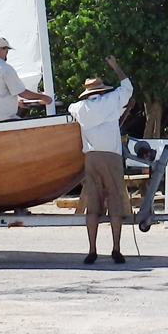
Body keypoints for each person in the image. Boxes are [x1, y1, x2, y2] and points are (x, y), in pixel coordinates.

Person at [68, 56, 135, 265]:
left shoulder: (78, 108)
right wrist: (116, 66)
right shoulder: (112, 100)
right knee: (115, 201)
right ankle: (116, 248)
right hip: (112, 156)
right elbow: (128, 87)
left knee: (93, 204)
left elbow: (70, 110)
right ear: (101, 90)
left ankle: (92, 250)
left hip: (92, 157)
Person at [0, 37, 53, 125]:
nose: (7, 51)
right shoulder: (4, 68)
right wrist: (43, 97)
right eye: (6, 49)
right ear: (1, 49)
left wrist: (16, 102)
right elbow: (22, 93)